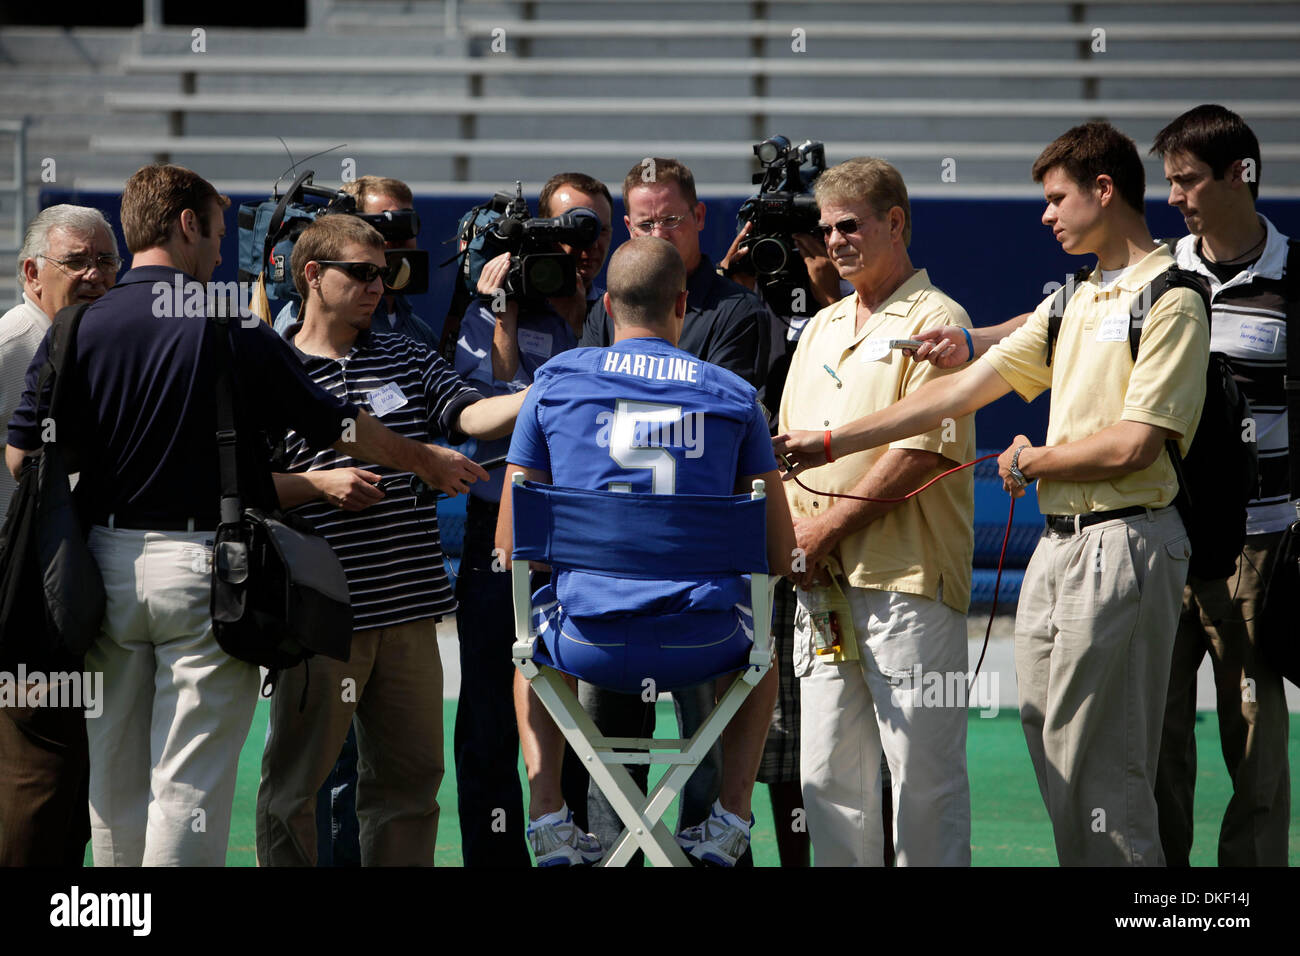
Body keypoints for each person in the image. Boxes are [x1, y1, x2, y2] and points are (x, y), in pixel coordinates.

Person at [5, 163, 485, 866]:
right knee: (189, 786)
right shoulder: (226, 322)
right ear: (188, 224)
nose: (220, 250)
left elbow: (22, 461)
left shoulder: (76, 325)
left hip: (103, 567)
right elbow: (339, 428)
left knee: (114, 779)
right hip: (204, 567)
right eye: (217, 232)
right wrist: (426, 460)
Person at [776, 123, 1211, 866]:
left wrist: (1036, 459)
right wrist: (830, 445)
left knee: (1103, 763)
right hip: (1059, 543)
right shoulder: (1076, 296)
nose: (1045, 214)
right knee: (1053, 745)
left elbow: (1138, 444)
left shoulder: (1170, 297)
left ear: (1103, 192)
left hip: (1124, 534)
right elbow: (966, 385)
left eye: (1056, 198)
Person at [495, 236, 795, 866]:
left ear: (607, 304)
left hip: (587, 642)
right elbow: (778, 550)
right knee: (764, 652)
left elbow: (510, 545)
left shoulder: (554, 382)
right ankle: (730, 819)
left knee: (530, 631)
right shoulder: (735, 397)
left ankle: (547, 811)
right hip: (705, 642)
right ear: (683, 303)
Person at [255, 213, 526, 867]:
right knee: (295, 791)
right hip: (318, 618)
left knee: (408, 789)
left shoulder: (403, 352)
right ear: (313, 275)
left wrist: (547, 389)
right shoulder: (271, 364)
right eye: (362, 273)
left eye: (386, 273)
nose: (380, 286)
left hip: (408, 615)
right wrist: (319, 486)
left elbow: (471, 413)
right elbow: (244, 487)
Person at [774, 157, 976, 867]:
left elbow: (928, 450)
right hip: (822, 587)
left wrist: (823, 530)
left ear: (895, 221)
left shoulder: (939, 319)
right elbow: (787, 450)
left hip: (906, 584)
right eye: (826, 228)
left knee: (922, 782)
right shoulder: (823, 324)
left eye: (849, 224)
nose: (834, 240)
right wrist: (794, 539)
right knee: (826, 779)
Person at [577, 157, 771, 861]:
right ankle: (613, 855)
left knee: (706, 751)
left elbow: (712, 441)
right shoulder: (618, 301)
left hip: (697, 579)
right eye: (644, 221)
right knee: (605, 751)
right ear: (626, 226)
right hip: (615, 575)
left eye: (671, 219)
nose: (658, 230)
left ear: (700, 220)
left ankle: (701, 856)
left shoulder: (740, 313)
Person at [452, 172, 613, 866]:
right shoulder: (494, 309)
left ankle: (577, 849)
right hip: (503, 539)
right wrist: (505, 322)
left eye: (596, 231)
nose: (583, 247)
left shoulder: (621, 308)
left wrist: (583, 318)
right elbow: (481, 429)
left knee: (585, 714)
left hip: (593, 542)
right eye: (567, 228)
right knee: (490, 713)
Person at [1150, 104, 1293, 867]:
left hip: (1261, 544)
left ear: (1241, 174)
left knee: (1256, 745)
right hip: (1160, 538)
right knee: (1156, 738)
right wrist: (969, 341)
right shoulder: (1157, 278)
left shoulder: (1296, 276)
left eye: (1187, 180)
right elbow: (1047, 326)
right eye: (1168, 181)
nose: (1173, 196)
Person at [0, 204, 119, 866]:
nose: (97, 274)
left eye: (107, 260)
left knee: (73, 788)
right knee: (37, 787)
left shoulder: (85, 344)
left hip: (67, 594)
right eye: (78, 261)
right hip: (22, 603)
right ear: (31, 272)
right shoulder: (14, 346)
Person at [274, 175, 439, 353]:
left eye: (408, 224)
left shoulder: (418, 331)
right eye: (386, 224)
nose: (401, 239)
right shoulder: (305, 321)